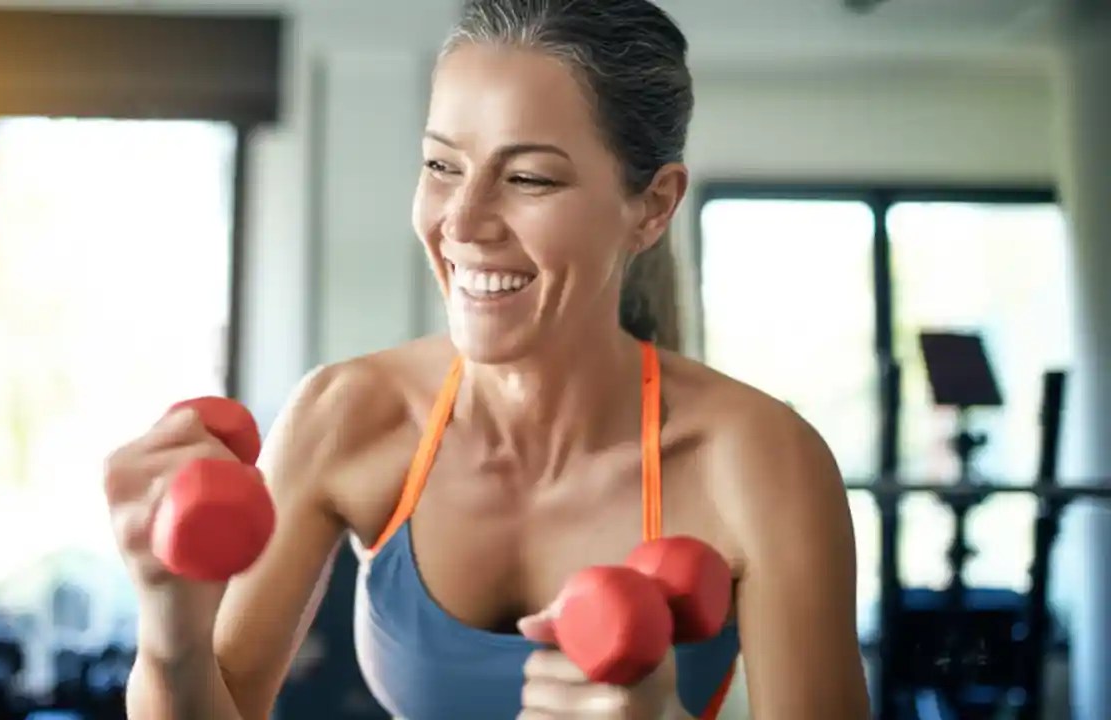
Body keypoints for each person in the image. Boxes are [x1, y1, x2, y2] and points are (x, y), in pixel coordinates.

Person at [107, 0, 872, 717]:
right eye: (442, 166)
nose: (462, 222)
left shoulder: (764, 461)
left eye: (529, 177)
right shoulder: (348, 414)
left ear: (654, 206)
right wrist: (171, 625)